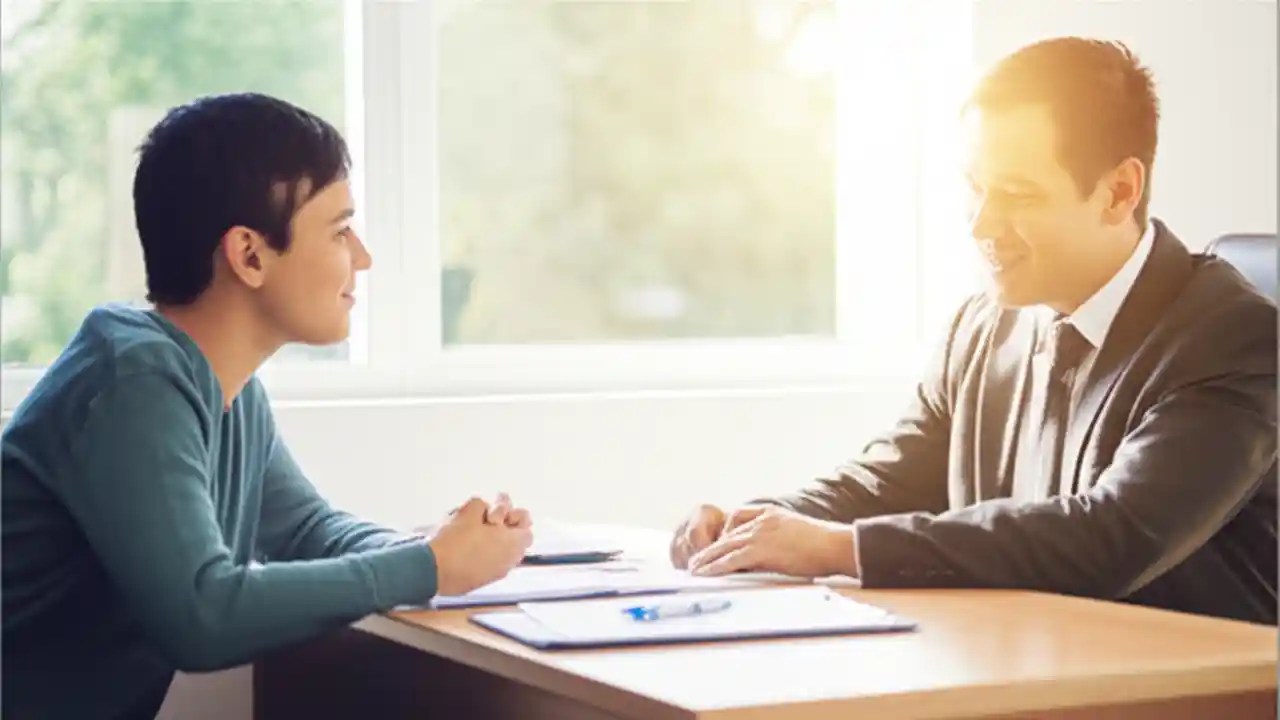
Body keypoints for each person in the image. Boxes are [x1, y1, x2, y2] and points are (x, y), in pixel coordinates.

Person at [670, 37, 1277, 625]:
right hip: (1026, 665)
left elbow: (1112, 534)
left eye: (1017, 194)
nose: (982, 224)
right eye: (975, 187)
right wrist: (760, 524)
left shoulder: (1235, 338)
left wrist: (837, 549)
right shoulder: (983, 325)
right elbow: (890, 482)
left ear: (1118, 192)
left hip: (1193, 678)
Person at [2, 93, 533, 720]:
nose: (362, 259)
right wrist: (428, 567)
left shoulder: (225, 387)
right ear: (249, 255)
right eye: (339, 231)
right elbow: (203, 615)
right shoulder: (131, 382)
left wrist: (445, 551)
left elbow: (307, 531)